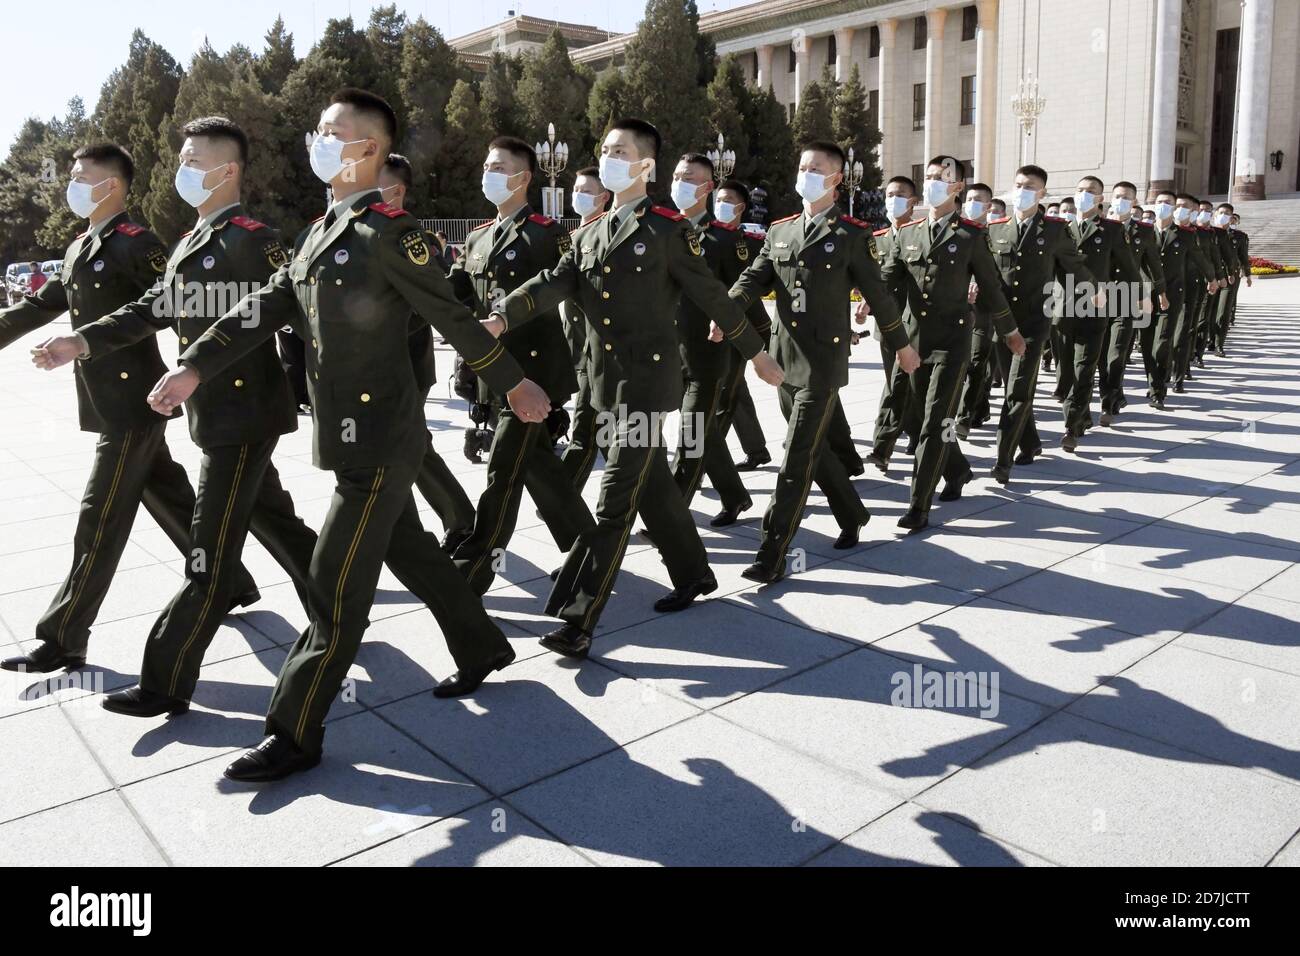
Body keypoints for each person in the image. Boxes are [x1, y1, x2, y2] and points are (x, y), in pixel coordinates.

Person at [147, 88, 548, 781]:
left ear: (367, 151)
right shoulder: (319, 232)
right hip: (348, 434)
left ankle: (295, 731)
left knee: (334, 585)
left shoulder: (392, 236)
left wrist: (515, 383)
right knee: (413, 553)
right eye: (318, 130)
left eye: (332, 132)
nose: (318, 141)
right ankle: (482, 646)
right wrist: (193, 365)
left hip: (384, 441)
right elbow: (261, 308)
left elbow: (453, 319)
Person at [33, 116, 319, 716]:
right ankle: (341, 609)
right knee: (275, 521)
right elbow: (150, 308)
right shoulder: (191, 241)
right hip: (213, 411)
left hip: (244, 412)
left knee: (208, 553)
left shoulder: (252, 239)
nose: (181, 169)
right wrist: (80, 342)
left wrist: (203, 367)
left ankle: (165, 680)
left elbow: (289, 316)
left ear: (228, 170)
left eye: (193, 159)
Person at [485, 117, 784, 658]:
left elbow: (715, 297)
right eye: (604, 150)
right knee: (651, 487)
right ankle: (694, 572)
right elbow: (554, 281)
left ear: (645, 165)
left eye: (619, 151)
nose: (608, 158)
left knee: (614, 499)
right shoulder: (590, 230)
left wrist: (757, 353)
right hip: (602, 381)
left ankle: (579, 619)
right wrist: (502, 316)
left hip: (645, 383)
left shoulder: (669, 230)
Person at [0, 142, 257, 675]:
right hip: (105, 399)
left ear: (110, 184)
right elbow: (39, 305)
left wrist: (197, 368)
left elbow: (170, 305)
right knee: (165, 493)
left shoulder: (138, 245)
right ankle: (230, 580)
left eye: (79, 176)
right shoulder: (80, 248)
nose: (69, 184)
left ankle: (64, 636)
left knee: (101, 516)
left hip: (135, 402)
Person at [730, 139, 916, 574]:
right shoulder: (781, 230)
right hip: (782, 361)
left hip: (823, 366)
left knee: (795, 456)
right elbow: (753, 279)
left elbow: (880, 297)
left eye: (815, 169)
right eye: (802, 167)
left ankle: (772, 553)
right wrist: (726, 309)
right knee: (815, 452)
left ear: (835, 179)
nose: (804, 175)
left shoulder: (851, 235)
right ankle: (853, 514)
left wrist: (903, 346)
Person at [446, 136, 595, 594]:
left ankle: (475, 570)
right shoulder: (476, 237)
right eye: (486, 165)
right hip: (495, 375)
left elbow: (568, 289)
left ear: (524, 177)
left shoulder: (546, 234)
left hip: (533, 375)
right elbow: (457, 297)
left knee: (503, 471)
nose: (488, 173)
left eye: (498, 167)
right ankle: (592, 551)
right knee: (537, 470)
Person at [879, 156, 1021, 531]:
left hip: (952, 342)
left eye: (942, 178)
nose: (932, 184)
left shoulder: (971, 236)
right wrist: (866, 305)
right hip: (914, 342)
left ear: (957, 187)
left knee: (937, 421)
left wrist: (1009, 330)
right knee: (918, 417)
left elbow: (991, 288)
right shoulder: (908, 233)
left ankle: (918, 503)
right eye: (927, 178)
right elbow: (887, 283)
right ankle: (957, 469)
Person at [378, 153, 479, 550]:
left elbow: (432, 305)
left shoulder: (412, 239)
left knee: (408, 447)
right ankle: (453, 520)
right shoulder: (365, 234)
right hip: (371, 368)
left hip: (405, 364)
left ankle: (450, 522)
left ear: (396, 190)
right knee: (409, 447)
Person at [666, 155, 770, 527]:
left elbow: (744, 292)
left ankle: (670, 514)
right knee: (704, 433)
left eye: (689, 178)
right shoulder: (662, 231)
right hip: (669, 351)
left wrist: (745, 342)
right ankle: (736, 496)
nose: (680, 183)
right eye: (677, 176)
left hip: (711, 352)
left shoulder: (726, 240)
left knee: (690, 435)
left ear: (707, 187)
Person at [985, 165, 1095, 484]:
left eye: (1030, 186)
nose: (1022, 191)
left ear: (1042, 192)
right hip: (1002, 324)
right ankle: (1030, 443)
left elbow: (1074, 268)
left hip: (1034, 324)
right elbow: (987, 273)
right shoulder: (996, 229)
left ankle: (1003, 459)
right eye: (1018, 184)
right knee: (1013, 388)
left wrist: (1097, 293)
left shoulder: (1055, 230)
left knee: (1017, 392)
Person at [699, 178, 773, 522]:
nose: (721, 204)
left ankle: (696, 471)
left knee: (713, 411)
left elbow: (748, 289)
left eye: (728, 200)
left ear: (741, 208)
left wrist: (757, 342)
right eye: (719, 198)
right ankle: (755, 451)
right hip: (701, 335)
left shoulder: (741, 242)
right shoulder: (697, 233)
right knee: (730, 397)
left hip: (731, 332)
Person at [1054, 176, 1139, 452]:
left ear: (1101, 198)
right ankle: (1082, 416)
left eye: (1090, 192)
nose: (1084, 195)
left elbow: (1128, 269)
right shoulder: (1058, 228)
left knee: (1084, 368)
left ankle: (1071, 426)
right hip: (1061, 308)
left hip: (1095, 309)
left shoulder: (1112, 230)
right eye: (1079, 190)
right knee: (1066, 371)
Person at [559, 166, 611, 493]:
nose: (578, 195)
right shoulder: (570, 238)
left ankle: (561, 496)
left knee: (586, 431)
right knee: (594, 432)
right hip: (579, 351)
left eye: (586, 190)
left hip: (603, 354)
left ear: (603, 197)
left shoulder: (607, 237)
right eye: (575, 189)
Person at [1096, 180, 1164, 425]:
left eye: (1126, 197)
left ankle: (1109, 403)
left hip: (1127, 298)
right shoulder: (1099, 227)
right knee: (1102, 355)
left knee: (1117, 353)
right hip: (1098, 298)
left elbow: (1153, 266)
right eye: (1116, 196)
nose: (1120, 200)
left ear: (1134, 201)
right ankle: (1114, 393)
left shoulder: (1145, 231)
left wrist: (1159, 294)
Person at [866, 174, 919, 475]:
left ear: (912, 202)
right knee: (897, 382)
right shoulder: (876, 239)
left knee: (900, 385)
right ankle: (914, 431)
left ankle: (881, 445)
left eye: (898, 195)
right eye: (888, 195)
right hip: (887, 325)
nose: (891, 200)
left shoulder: (923, 235)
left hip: (916, 325)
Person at [954, 181, 999, 439]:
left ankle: (964, 416)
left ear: (988, 205)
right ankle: (980, 407)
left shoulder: (997, 234)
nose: (972, 203)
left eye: (978, 199)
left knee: (976, 362)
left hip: (985, 310)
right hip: (958, 309)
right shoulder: (957, 232)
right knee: (967, 364)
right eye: (968, 198)